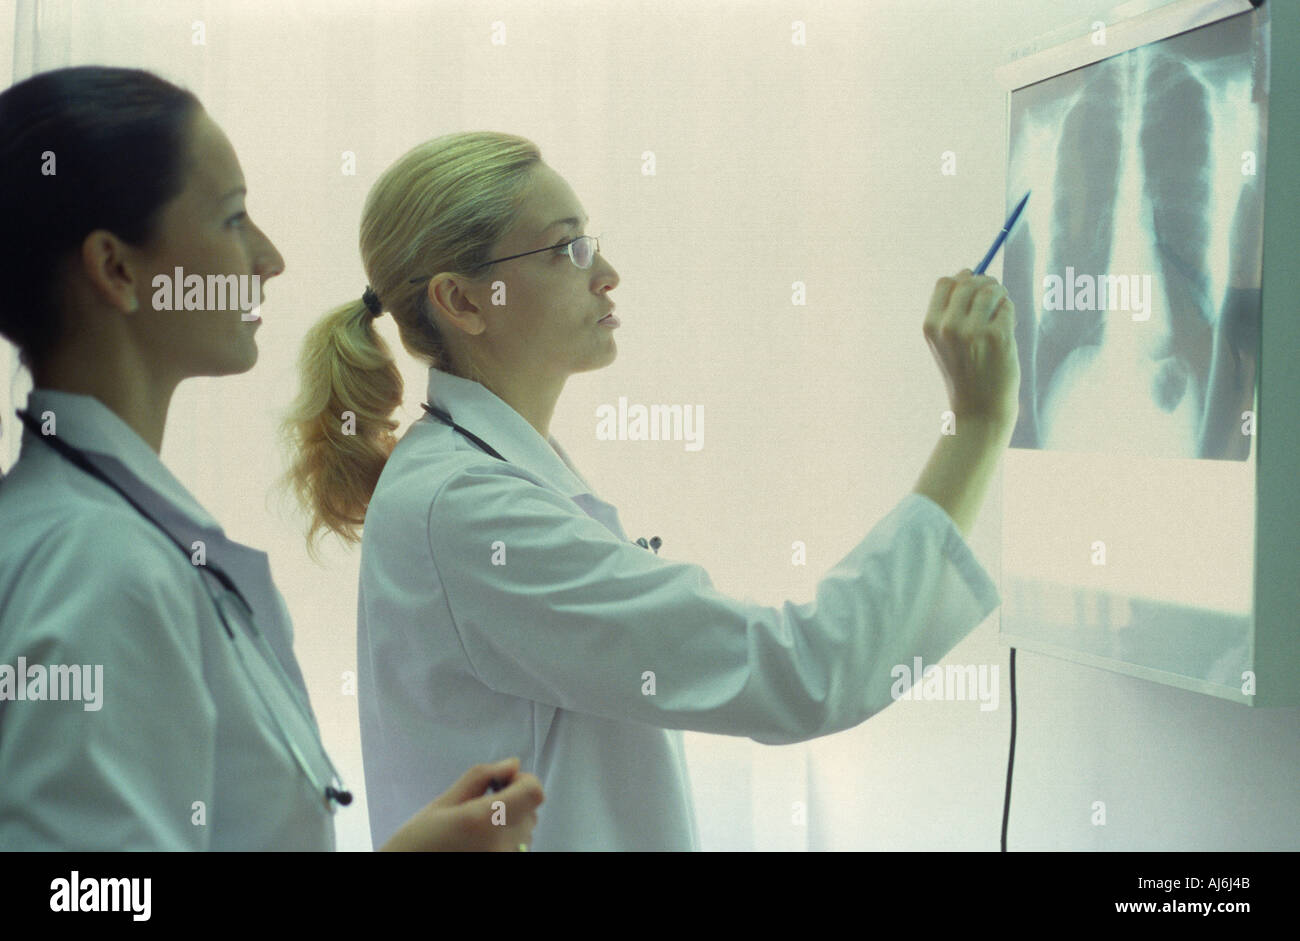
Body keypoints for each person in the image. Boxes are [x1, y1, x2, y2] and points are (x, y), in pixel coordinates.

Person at [284, 131, 1019, 851]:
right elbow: (803, 673)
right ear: (465, 302)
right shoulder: (470, 508)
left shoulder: (480, 475)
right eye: (566, 248)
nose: (606, 271)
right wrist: (979, 424)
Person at [0, 66, 542, 851]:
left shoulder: (97, 537)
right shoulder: (97, 566)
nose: (269, 258)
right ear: (117, 269)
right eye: (232, 218)